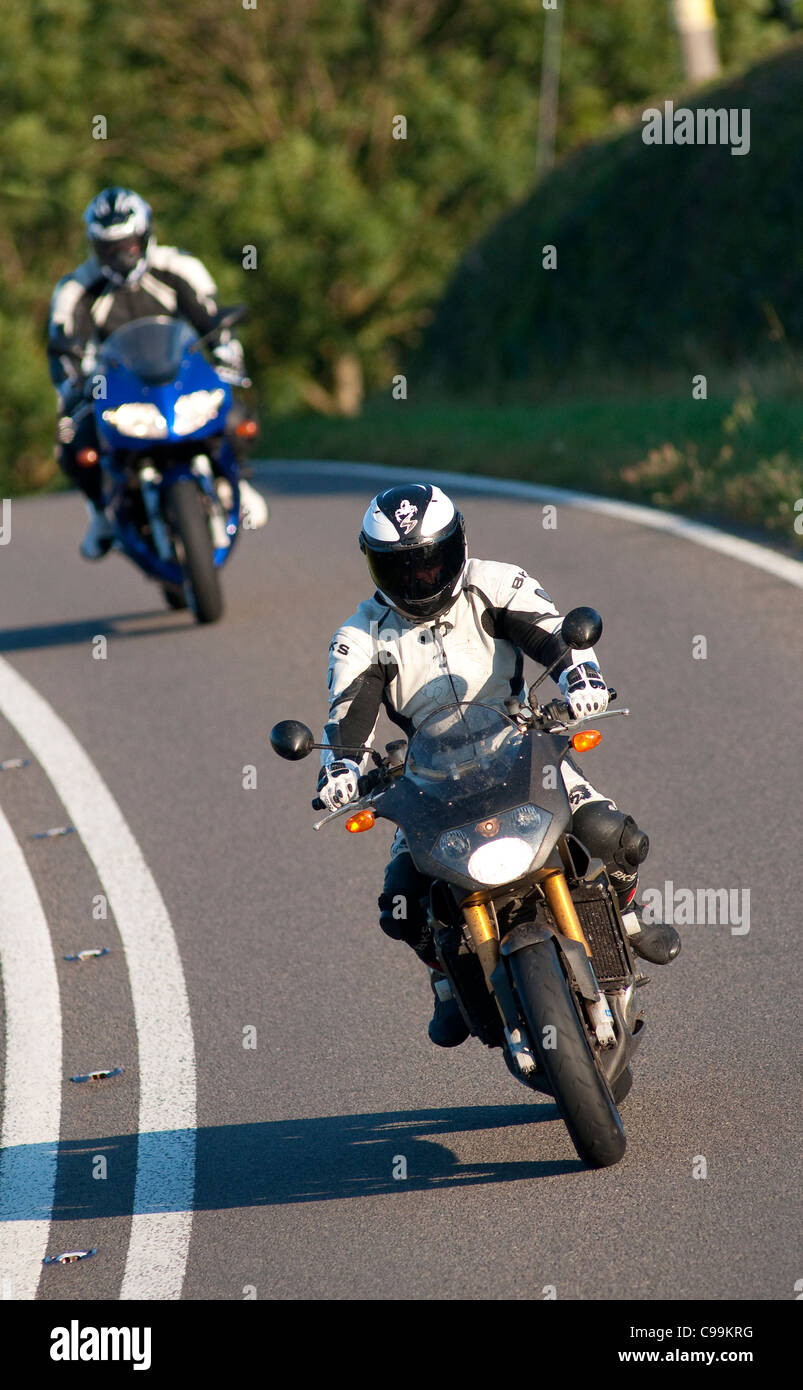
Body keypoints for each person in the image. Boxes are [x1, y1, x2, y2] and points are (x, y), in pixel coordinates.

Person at [317, 483, 680, 1047]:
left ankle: (628, 917)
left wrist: (580, 677)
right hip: (427, 777)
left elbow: (556, 633)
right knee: (401, 907)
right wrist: (340, 769)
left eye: (430, 563)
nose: (419, 580)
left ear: (457, 546)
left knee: (617, 838)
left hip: (521, 746)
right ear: (373, 566)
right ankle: (445, 982)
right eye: (401, 569)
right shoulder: (359, 636)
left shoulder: (496, 582)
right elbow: (348, 716)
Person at [47, 185, 268, 558]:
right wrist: (75, 389)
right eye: (109, 248)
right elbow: (64, 347)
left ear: (145, 236)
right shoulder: (76, 289)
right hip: (118, 388)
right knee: (73, 441)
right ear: (94, 247)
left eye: (127, 245)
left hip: (180, 375)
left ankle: (238, 482)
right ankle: (100, 514)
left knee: (236, 413)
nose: (120, 255)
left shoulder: (178, 267)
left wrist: (230, 361)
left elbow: (212, 323)